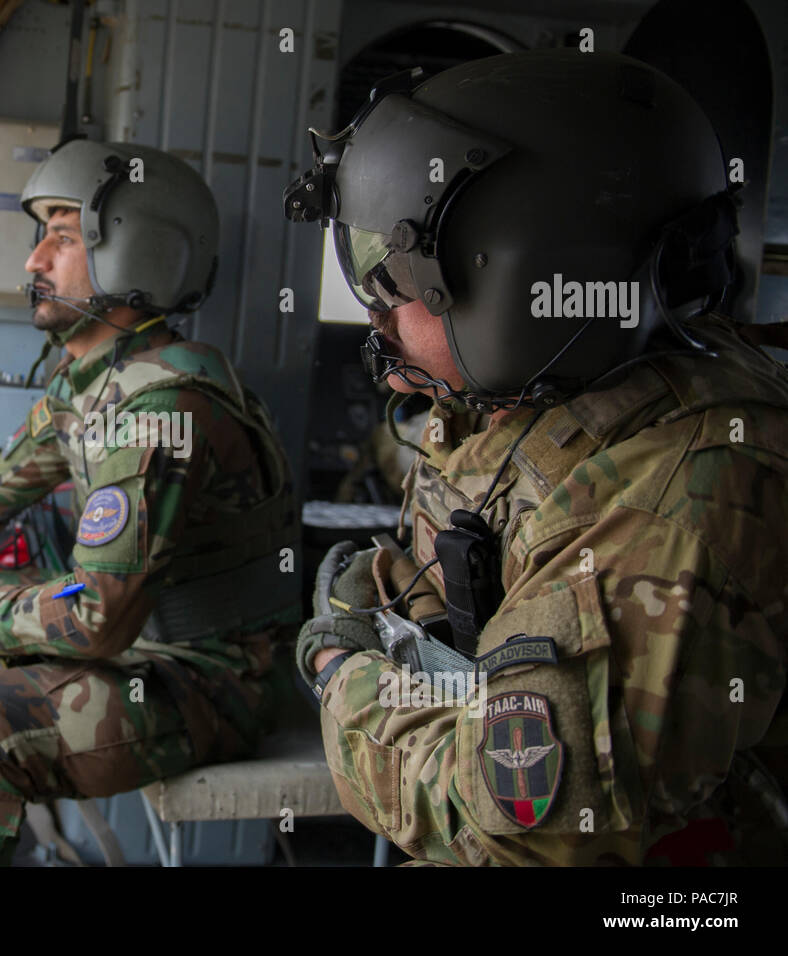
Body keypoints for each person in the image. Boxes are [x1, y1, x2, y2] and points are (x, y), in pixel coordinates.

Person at [286, 49, 788, 865]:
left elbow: (508, 821)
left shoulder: (673, 500)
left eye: (397, 281)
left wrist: (345, 665)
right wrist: (385, 613)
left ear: (526, 276)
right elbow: (455, 591)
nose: (377, 320)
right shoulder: (541, 398)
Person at [0, 138, 300, 865]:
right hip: (140, 643)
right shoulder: (90, 389)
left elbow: (96, 618)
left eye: (63, 238)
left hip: (206, 678)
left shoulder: (161, 411)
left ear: (135, 256)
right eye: (41, 237)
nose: (35, 262)